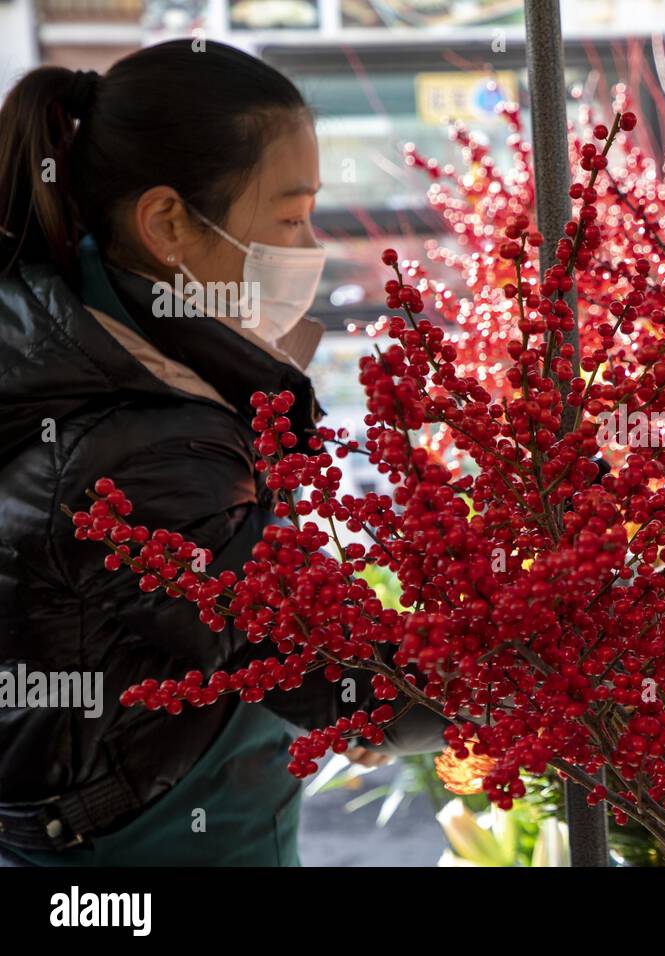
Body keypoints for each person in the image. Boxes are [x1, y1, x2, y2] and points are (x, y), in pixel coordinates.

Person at [0, 40, 441, 866]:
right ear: (167, 222)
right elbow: (343, 670)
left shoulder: (116, 348)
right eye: (288, 216)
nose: (306, 246)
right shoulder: (134, 446)